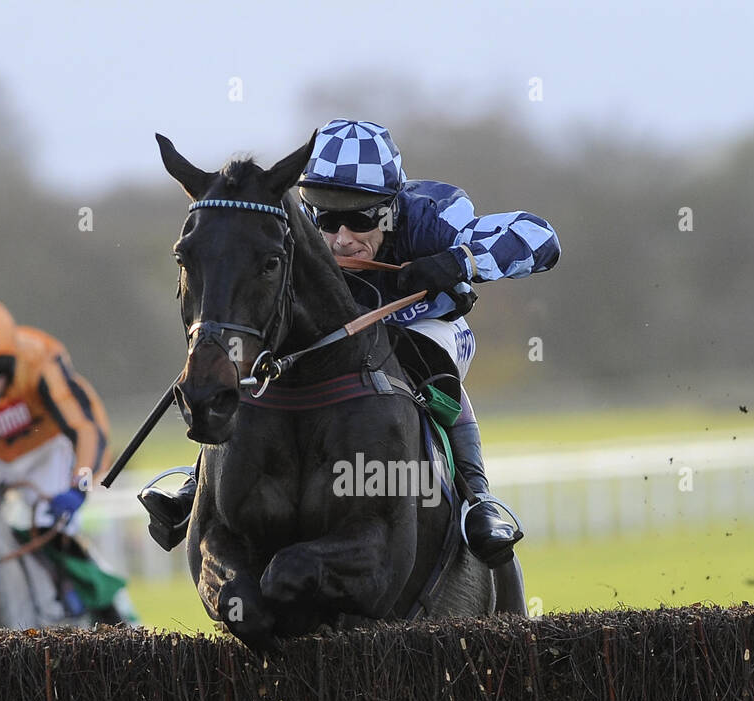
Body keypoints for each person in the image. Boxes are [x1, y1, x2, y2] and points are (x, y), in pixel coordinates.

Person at [142, 118, 561, 567]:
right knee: (254, 361)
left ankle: (477, 498)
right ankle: (198, 478)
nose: (341, 239)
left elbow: (542, 238)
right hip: (332, 338)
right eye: (326, 217)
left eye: (361, 219)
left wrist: (461, 259)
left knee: (430, 365)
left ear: (391, 207)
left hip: (422, 326)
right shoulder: (289, 224)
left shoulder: (433, 215)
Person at [0, 297, 138, 622]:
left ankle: (110, 610)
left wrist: (79, 486)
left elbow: (85, 427)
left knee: (52, 527)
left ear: (9, 364)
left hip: (46, 453)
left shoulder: (40, 362)